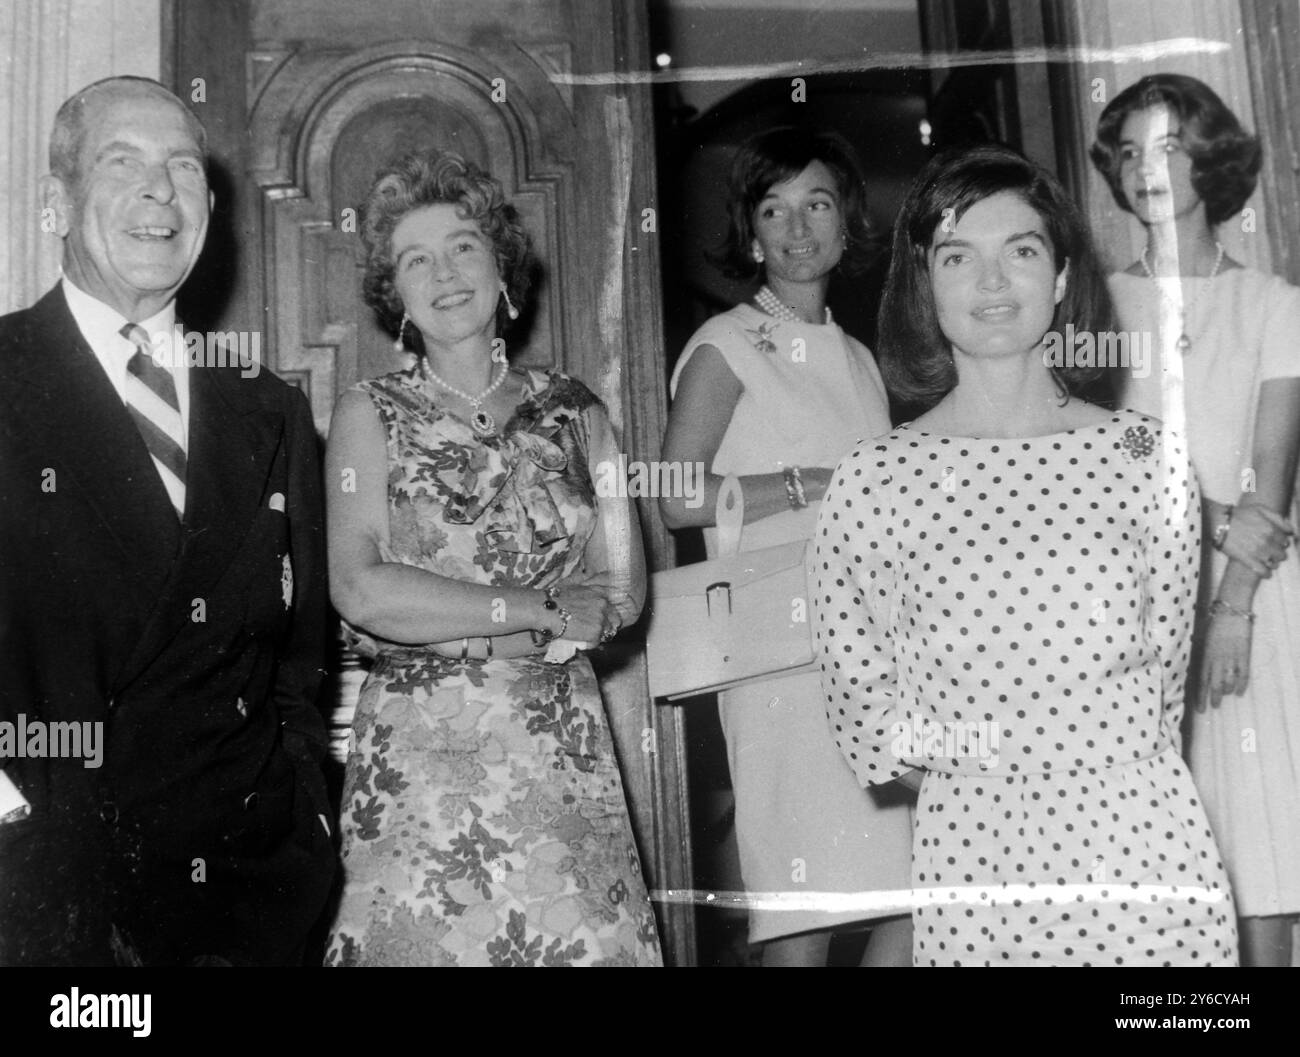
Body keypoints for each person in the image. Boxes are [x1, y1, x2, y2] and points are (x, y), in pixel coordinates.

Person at [814, 142, 1238, 966]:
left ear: (1061, 273)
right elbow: (865, 707)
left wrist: (1097, 777)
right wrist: (991, 782)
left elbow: (1166, 674)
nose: (994, 282)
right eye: (958, 256)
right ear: (923, 282)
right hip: (977, 867)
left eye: (1022, 250)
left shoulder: (1146, 458)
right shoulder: (874, 481)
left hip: (1147, 853)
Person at [0, 76, 336, 965]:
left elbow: (299, 666)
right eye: (124, 163)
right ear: (56, 203)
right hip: (49, 902)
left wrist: (307, 822)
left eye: (183, 167)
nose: (160, 190)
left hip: (246, 902)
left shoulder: (269, 412)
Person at [322, 149, 661, 966]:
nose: (444, 272)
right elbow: (359, 587)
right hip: (423, 756)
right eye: (415, 259)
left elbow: (620, 587)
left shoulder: (577, 410)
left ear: (502, 265)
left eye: (463, 246)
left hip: (557, 746)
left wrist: (512, 618)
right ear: (392, 295)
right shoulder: (369, 414)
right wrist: (538, 609)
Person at [660, 126, 913, 966]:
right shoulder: (729, 343)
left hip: (874, 659)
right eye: (775, 208)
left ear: (847, 224)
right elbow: (673, 498)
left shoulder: (858, 357)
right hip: (781, 662)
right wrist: (810, 480)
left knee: (908, 903)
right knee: (802, 922)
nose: (798, 228)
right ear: (751, 231)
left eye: (818, 204)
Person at [1091, 73, 1300, 966]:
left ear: (1208, 158)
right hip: (1134, 605)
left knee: (1261, 855)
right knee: (1171, 868)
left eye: (1170, 146)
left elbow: (1272, 480)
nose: (1149, 168)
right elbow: (1102, 464)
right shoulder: (1094, 310)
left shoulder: (1273, 304)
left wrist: (1234, 606)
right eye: (1131, 151)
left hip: (1256, 602)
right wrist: (1212, 516)